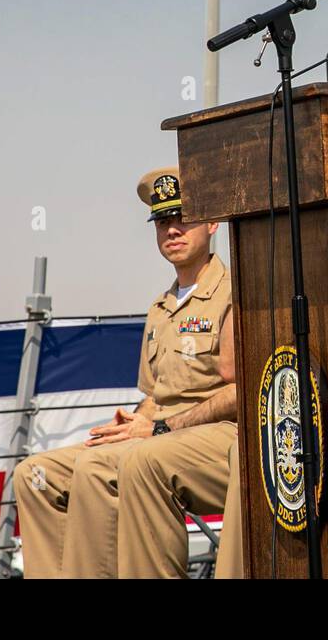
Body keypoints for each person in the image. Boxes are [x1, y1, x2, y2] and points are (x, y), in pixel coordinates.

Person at [12, 167, 239, 578]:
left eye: (183, 218)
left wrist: (159, 428)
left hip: (218, 436)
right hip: (158, 435)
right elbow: (156, 394)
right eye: (163, 221)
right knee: (35, 474)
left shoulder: (235, 292)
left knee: (102, 468)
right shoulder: (161, 308)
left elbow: (245, 390)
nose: (172, 230)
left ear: (212, 221)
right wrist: (135, 419)